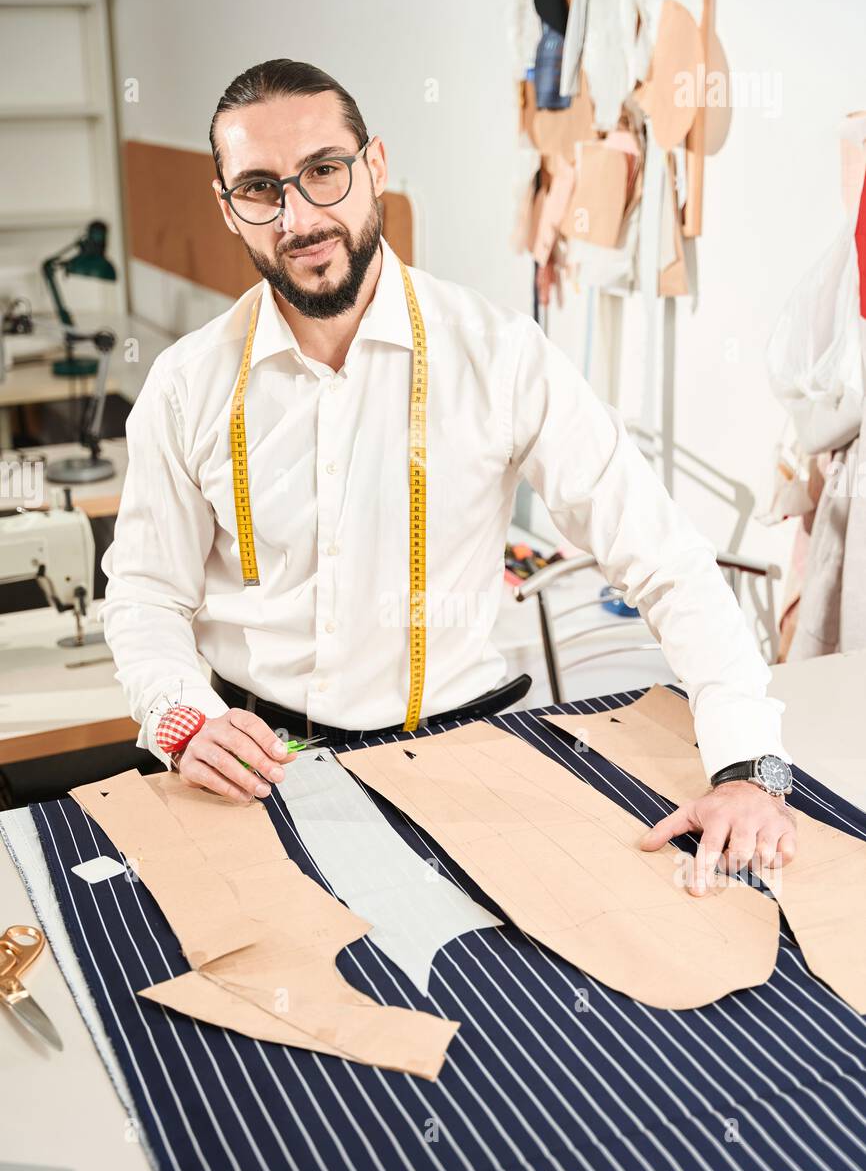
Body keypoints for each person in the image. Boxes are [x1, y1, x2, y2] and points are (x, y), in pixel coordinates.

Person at [100, 58, 797, 894]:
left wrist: (749, 768)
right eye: (260, 188)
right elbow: (145, 595)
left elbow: (664, 559)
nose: (299, 216)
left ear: (375, 166)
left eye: (324, 171)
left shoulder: (497, 355)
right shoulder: (186, 385)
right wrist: (182, 720)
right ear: (229, 208)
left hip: (471, 754)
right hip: (254, 765)